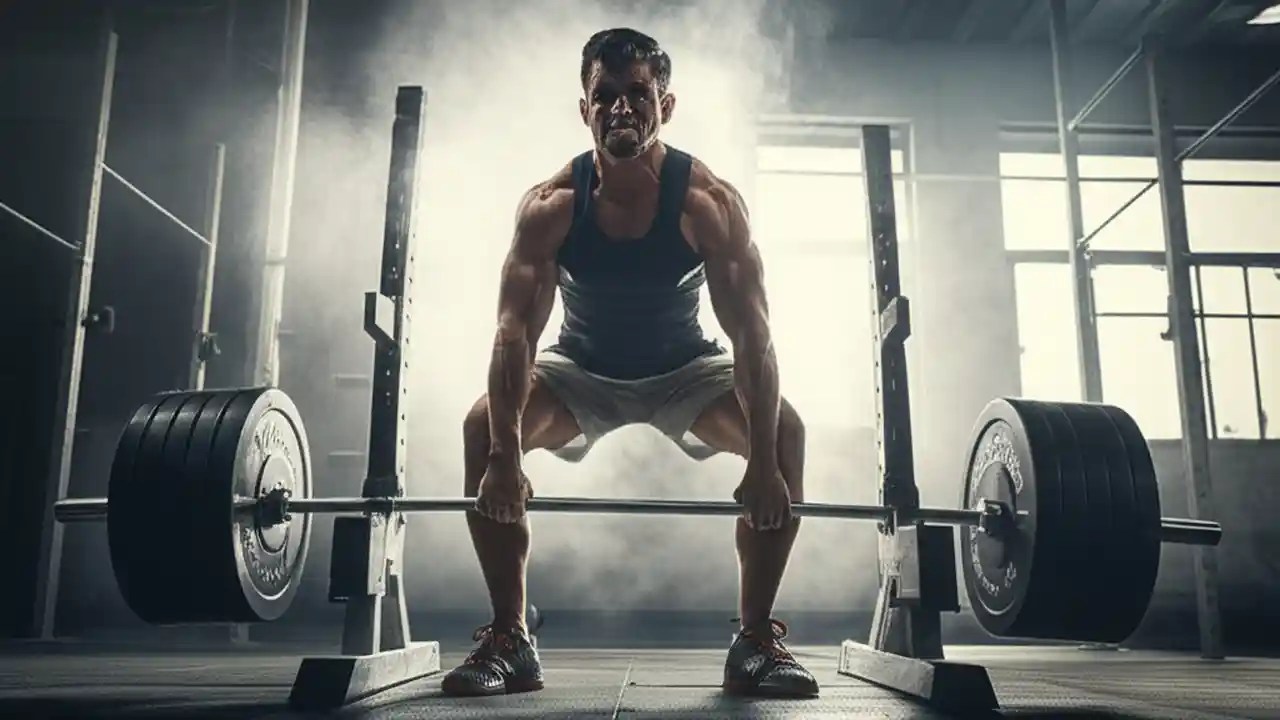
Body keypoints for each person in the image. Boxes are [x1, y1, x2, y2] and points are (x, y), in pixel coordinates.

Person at [440, 27, 818, 699]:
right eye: (605, 95)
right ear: (584, 108)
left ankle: (755, 641)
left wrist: (763, 464)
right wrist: (504, 455)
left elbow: (752, 338)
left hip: (686, 372)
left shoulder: (708, 202)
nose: (621, 109)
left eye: (637, 94)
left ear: (665, 106)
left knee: (784, 433)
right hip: (579, 371)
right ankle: (510, 637)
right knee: (481, 428)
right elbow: (513, 337)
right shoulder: (552, 206)